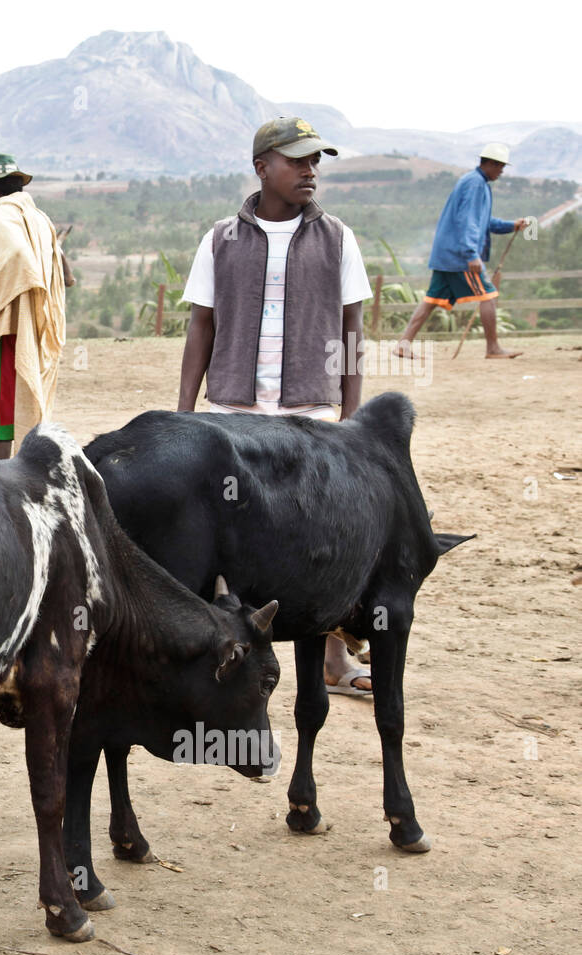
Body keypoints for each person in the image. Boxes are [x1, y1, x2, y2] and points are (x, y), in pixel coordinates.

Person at [177, 116, 376, 697]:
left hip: (310, 417)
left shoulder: (337, 237)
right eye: (298, 160)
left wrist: (353, 422)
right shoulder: (221, 239)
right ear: (262, 167)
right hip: (233, 417)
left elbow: (352, 328)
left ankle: (337, 657)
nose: (311, 170)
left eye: (316, 160)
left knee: (323, 541)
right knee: (228, 540)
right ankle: (221, 649)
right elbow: (201, 326)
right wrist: (185, 414)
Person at [0, 153, 66, 459]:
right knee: (17, 407)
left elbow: (19, 258)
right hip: (30, 328)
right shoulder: (38, 218)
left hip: (3, 331)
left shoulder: (1, 216)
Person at [398, 142, 529, 359]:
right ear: (491, 163)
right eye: (500, 166)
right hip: (459, 256)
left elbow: (485, 222)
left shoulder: (476, 183)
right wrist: (471, 254)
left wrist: (511, 225)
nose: (502, 171)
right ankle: (493, 348)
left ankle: (403, 345)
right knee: (488, 295)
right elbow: (467, 221)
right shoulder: (476, 184)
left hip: (446, 254)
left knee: (431, 300)